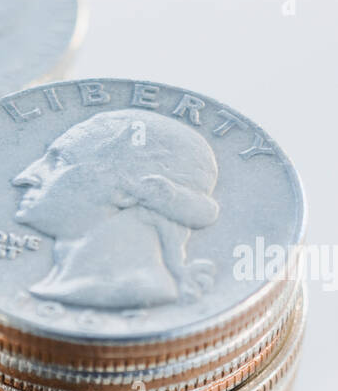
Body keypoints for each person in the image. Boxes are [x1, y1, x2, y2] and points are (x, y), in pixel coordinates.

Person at [12, 108, 220, 309]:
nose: (23, 176)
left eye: (59, 162)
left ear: (127, 193)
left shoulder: (132, 289)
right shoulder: (64, 285)